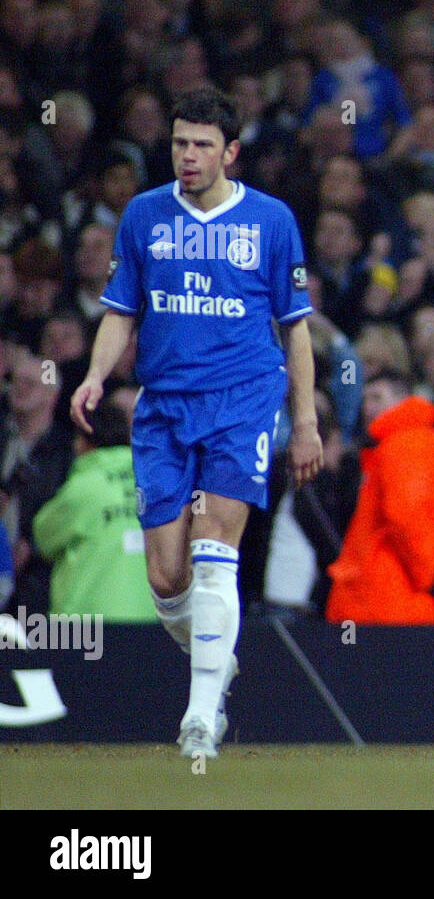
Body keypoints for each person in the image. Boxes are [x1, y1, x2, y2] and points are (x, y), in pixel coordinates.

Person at [70, 87, 323, 759]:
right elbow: (122, 309)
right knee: (167, 576)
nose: (188, 155)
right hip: (163, 404)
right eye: (181, 142)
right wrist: (97, 374)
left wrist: (305, 421)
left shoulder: (271, 222)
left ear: (230, 153)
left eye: (203, 144)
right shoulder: (145, 214)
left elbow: (296, 330)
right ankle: (216, 649)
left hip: (242, 398)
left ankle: (201, 716)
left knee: (216, 553)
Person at [324, 371, 434, 625]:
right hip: (420, 602)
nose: (367, 408)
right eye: (365, 399)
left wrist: (431, 578)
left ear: (403, 400)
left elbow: (404, 515)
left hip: (381, 599)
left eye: (377, 398)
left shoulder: (401, 445)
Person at [33, 402, 154, 620]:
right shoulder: (153, 483)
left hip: (88, 622)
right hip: (151, 618)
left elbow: (43, 536)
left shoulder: (84, 487)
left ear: (83, 442)